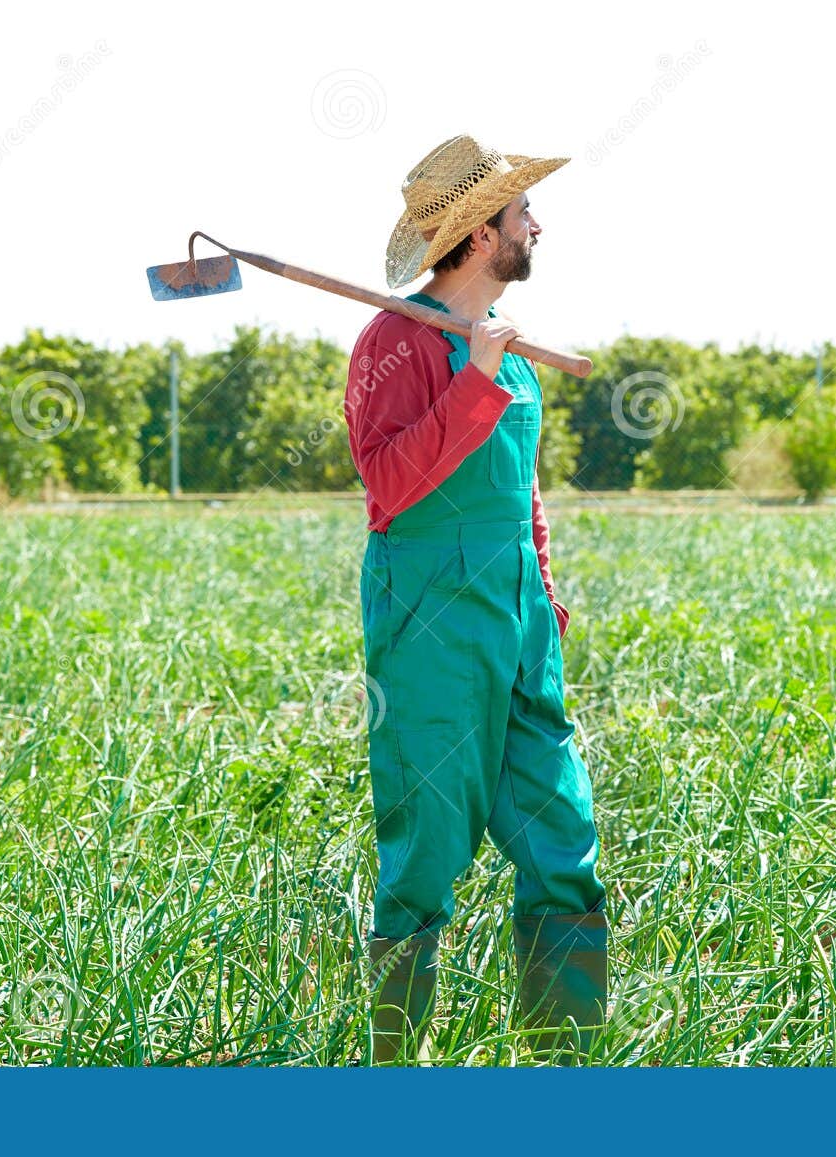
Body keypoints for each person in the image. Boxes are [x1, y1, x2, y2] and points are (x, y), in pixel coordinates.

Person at [342, 134, 609, 1064]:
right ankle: (394, 1073)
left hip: (518, 618)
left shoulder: (513, 351)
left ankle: (560, 1071)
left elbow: (522, 488)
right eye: (519, 211)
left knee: (563, 838)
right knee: (425, 851)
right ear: (477, 236)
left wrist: (545, 591)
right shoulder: (395, 341)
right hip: (431, 618)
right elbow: (389, 483)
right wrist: (474, 380)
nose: (536, 222)